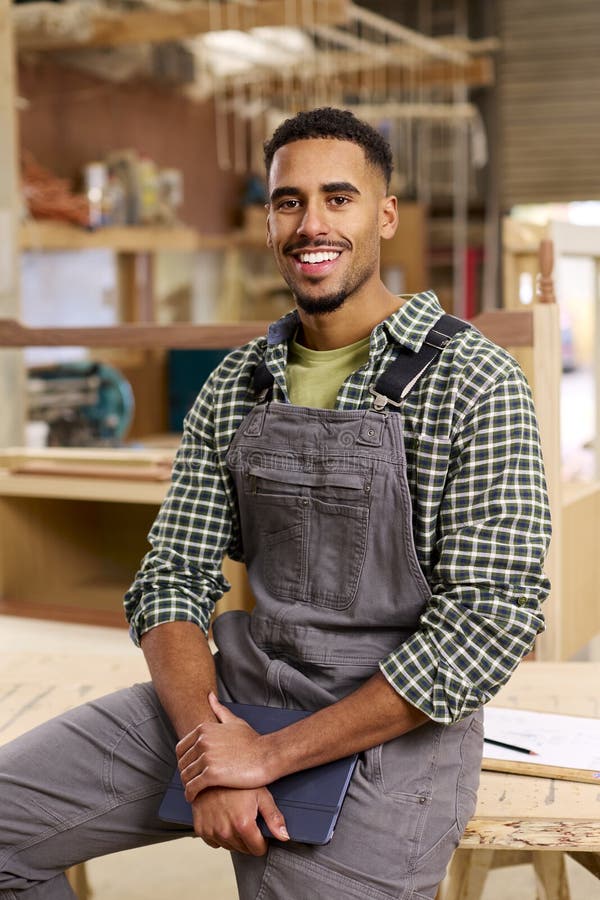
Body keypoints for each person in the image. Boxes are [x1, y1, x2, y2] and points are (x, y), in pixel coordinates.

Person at [0, 107, 551, 900]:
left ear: (384, 215)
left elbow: (489, 621)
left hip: (390, 735)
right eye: (289, 201)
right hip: (237, 699)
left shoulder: (475, 381)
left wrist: (272, 757)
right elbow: (170, 579)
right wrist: (211, 745)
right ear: (269, 220)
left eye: (339, 198)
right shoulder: (237, 383)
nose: (311, 223)